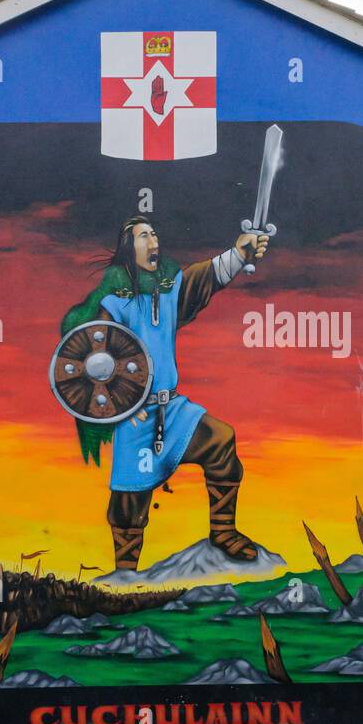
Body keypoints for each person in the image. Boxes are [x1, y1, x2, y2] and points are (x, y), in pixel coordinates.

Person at [60, 217, 269, 571]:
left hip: (172, 410)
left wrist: (239, 252)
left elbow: (205, 278)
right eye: (144, 235)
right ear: (129, 249)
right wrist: (124, 408)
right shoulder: (114, 304)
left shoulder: (168, 292)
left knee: (220, 441)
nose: (153, 239)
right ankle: (125, 576)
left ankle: (223, 531)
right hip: (134, 417)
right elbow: (95, 362)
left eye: (154, 233)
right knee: (128, 502)